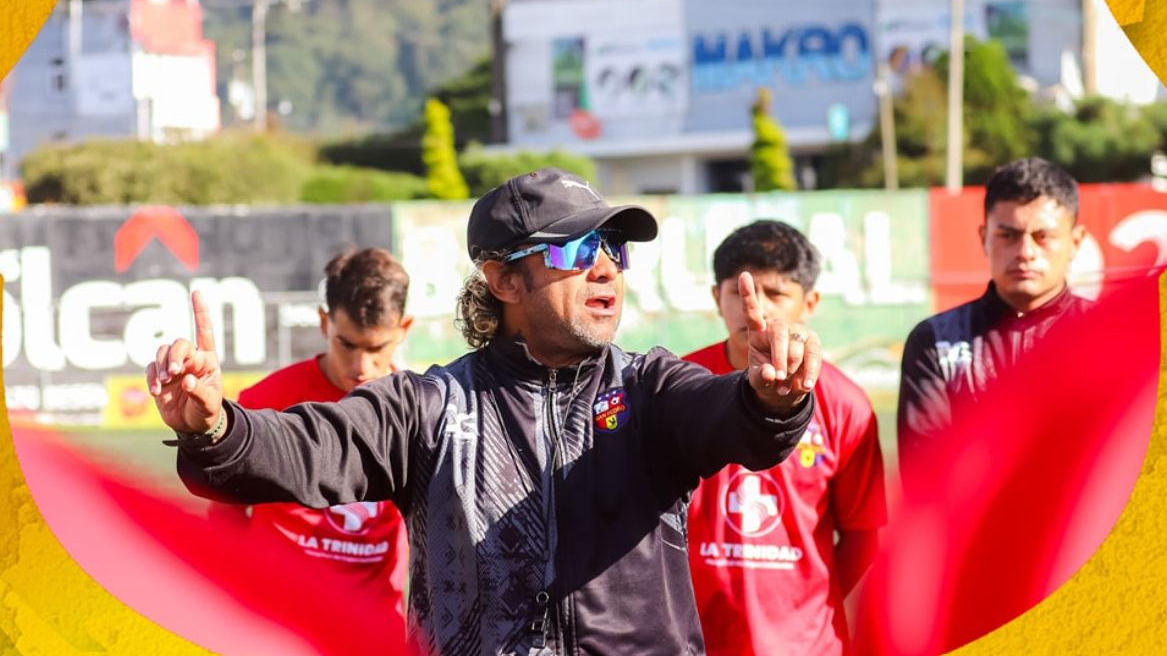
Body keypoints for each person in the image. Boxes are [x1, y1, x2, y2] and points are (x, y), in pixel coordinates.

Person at [147, 167, 822, 656]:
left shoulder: (650, 389)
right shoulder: (428, 404)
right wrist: (214, 425)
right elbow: (302, 447)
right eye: (576, 248)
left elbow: (735, 421)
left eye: (612, 248)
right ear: (503, 279)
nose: (606, 268)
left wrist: (771, 397)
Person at [683, 220, 887, 656]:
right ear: (716, 299)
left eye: (774, 294)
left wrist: (806, 606)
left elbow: (863, 535)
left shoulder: (846, 403)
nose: (754, 308)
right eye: (739, 292)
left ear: (809, 303)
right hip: (690, 642)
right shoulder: (678, 388)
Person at [207, 247, 413, 622]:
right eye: (346, 343)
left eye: (376, 348)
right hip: (277, 625)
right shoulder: (267, 401)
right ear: (324, 323)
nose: (360, 366)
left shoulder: (417, 411)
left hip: (374, 632)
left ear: (403, 330)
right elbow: (226, 512)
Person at [897, 157, 1090, 496]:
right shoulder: (935, 341)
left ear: (1075, 242)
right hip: (977, 549)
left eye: (1043, 236)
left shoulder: (1112, 338)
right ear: (984, 237)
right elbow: (925, 477)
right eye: (1008, 235)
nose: (1025, 252)